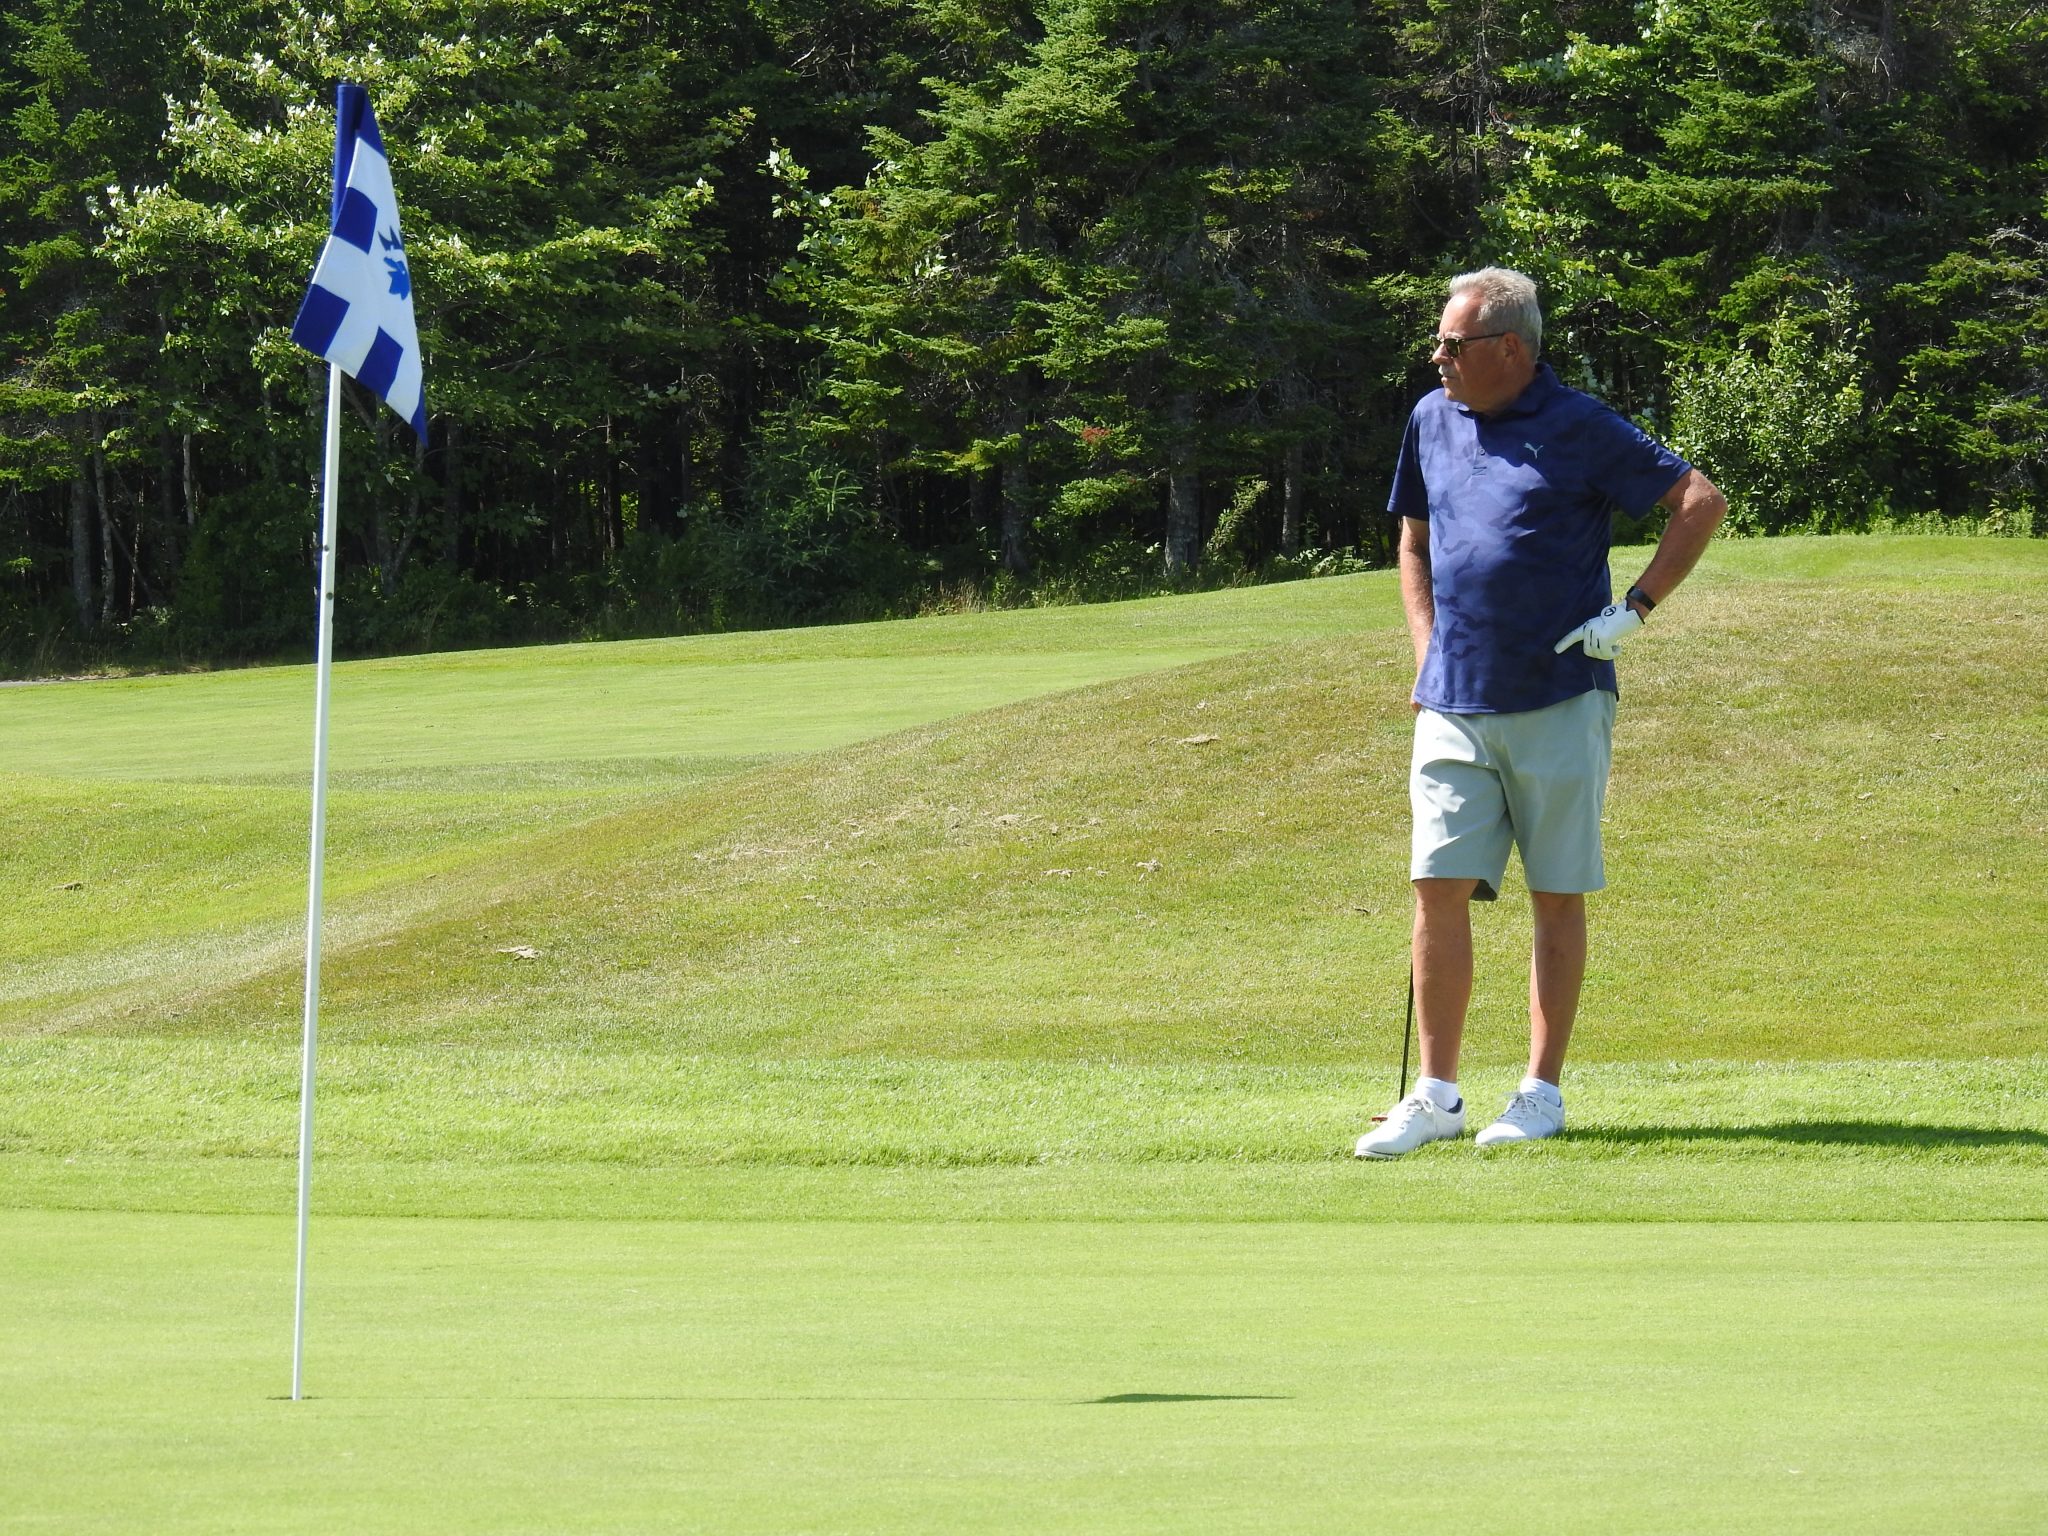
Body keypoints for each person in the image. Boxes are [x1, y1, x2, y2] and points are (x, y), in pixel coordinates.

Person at [1354, 266, 1727, 1159]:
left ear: (1511, 349)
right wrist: (1426, 650)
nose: (1438, 356)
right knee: (1436, 884)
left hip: (1560, 692)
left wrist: (1633, 611)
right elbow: (1414, 543)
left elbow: (1699, 501)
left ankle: (1539, 1093)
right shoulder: (1430, 418)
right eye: (1439, 341)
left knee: (1555, 892)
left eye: (1454, 343)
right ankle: (1437, 1095)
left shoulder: (1579, 422)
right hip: (1454, 699)